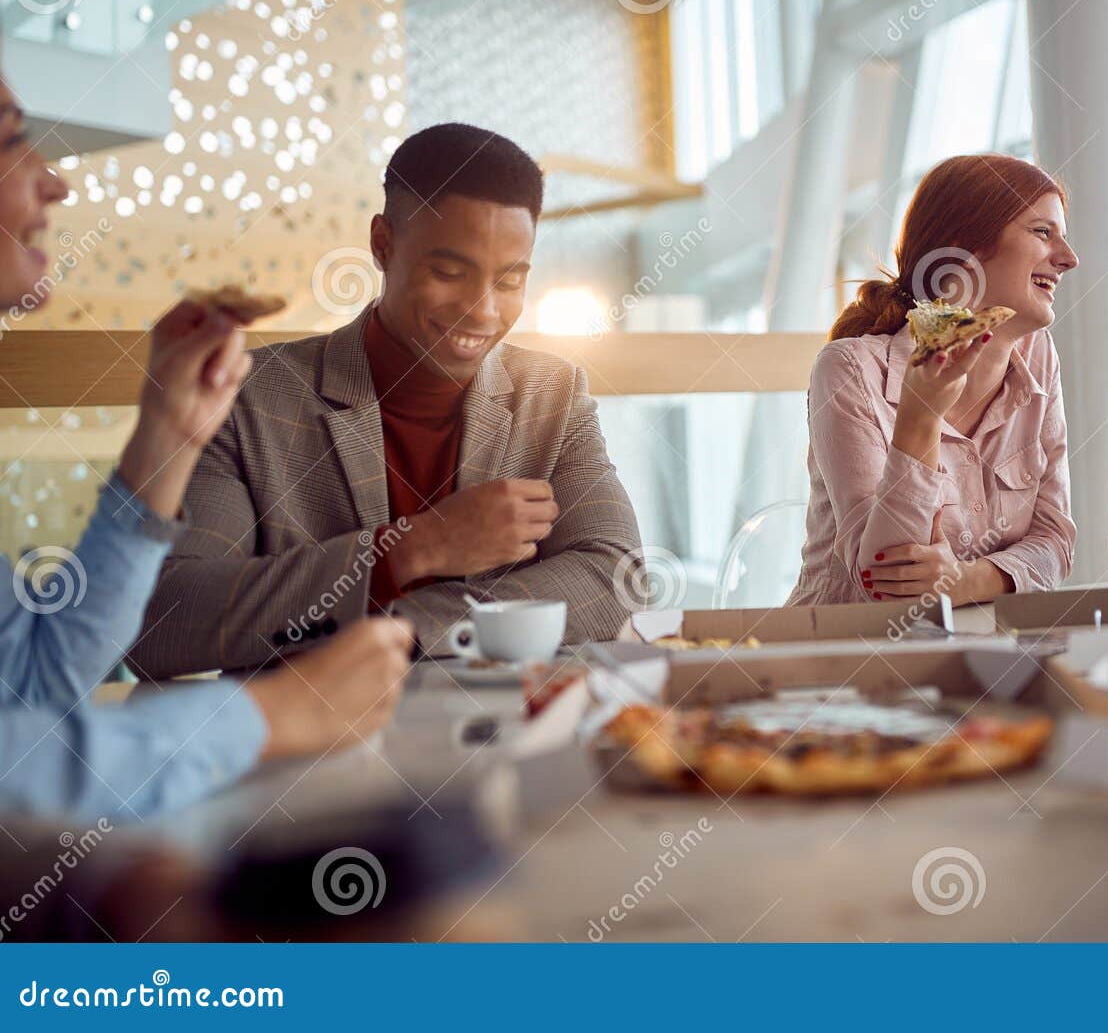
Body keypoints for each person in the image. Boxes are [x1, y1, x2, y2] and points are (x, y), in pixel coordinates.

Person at [0, 77, 412, 819]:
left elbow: (31, 681)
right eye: (7, 140)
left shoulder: (553, 392)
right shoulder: (281, 394)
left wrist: (168, 435)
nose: (53, 180)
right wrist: (275, 714)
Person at [130, 123, 641, 676]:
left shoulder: (554, 397)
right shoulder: (255, 398)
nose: (484, 311)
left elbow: (617, 577)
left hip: (507, 745)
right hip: (307, 752)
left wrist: (403, 628)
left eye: (510, 281)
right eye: (448, 272)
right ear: (382, 245)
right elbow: (165, 621)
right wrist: (413, 549)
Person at [788, 153, 1078, 607]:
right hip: (846, 661)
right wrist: (920, 420)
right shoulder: (850, 369)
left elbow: (1055, 539)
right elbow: (886, 584)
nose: (1068, 259)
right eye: (1043, 232)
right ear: (964, 245)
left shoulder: (1038, 356)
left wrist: (965, 581)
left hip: (974, 653)